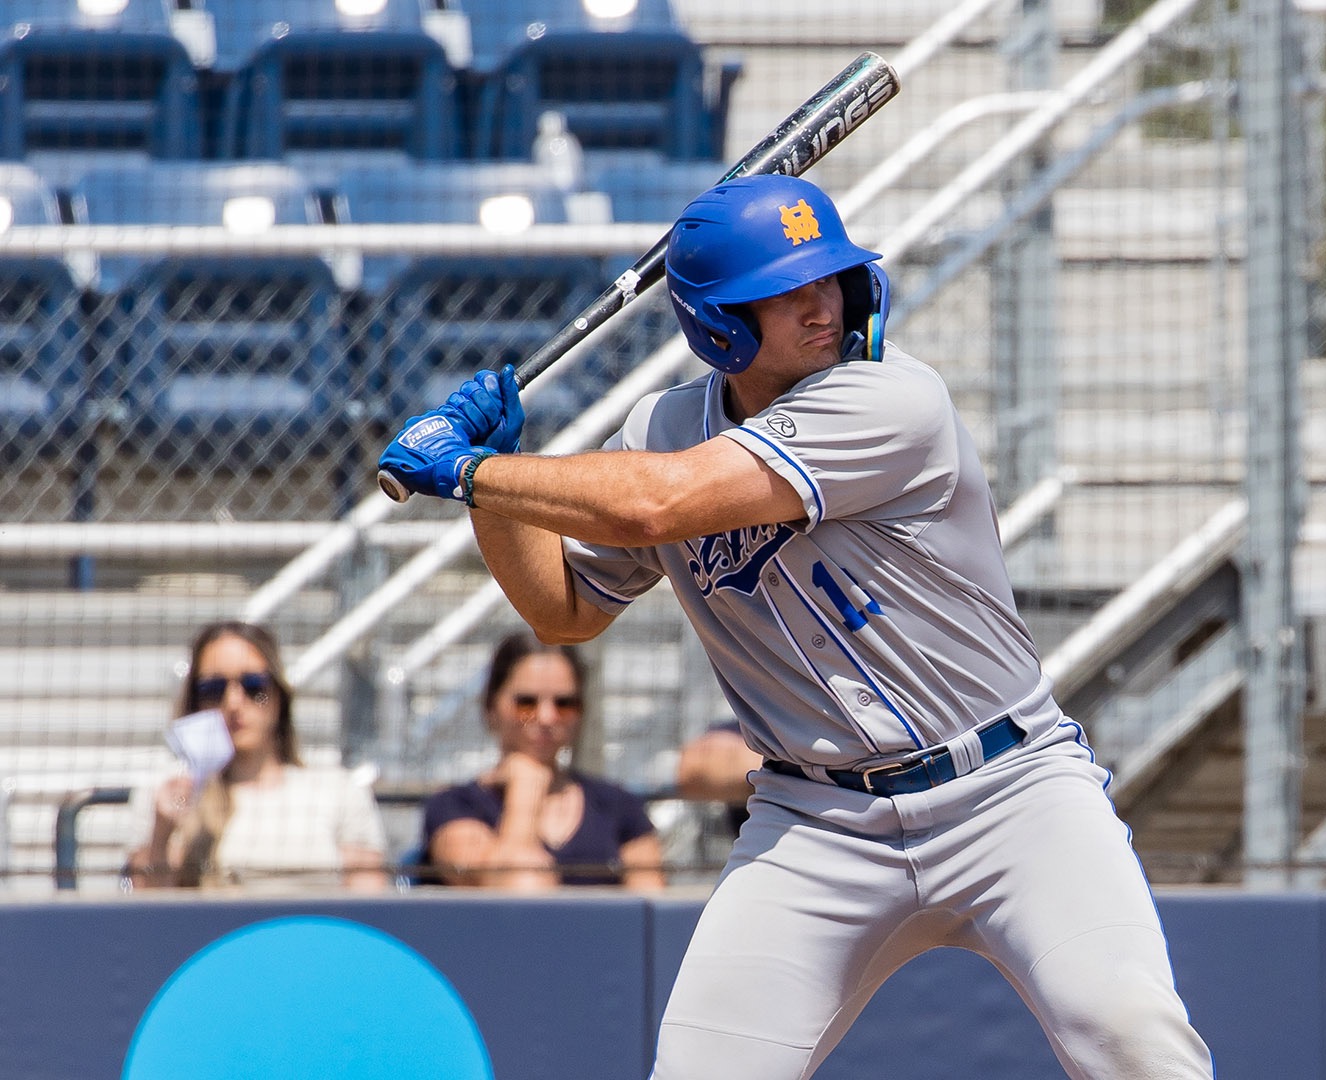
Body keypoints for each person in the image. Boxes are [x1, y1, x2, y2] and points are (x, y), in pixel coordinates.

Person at [379, 174, 1214, 1078]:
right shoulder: (662, 426)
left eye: (830, 277)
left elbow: (657, 507)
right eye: (785, 290)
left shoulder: (893, 400)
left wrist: (468, 472)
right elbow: (563, 612)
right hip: (816, 821)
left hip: (1008, 794)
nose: (822, 303)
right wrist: (494, 485)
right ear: (719, 325)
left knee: (1133, 1035)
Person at [125, 621, 388, 892]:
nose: (233, 702)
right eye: (213, 688)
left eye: (253, 686)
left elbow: (369, 907)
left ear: (279, 694)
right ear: (195, 701)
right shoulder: (167, 794)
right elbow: (148, 915)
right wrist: (162, 833)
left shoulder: (338, 790)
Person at [420, 632, 664, 891]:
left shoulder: (619, 806)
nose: (547, 718)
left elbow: (650, 901)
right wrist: (525, 787)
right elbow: (510, 886)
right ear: (491, 708)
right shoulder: (456, 806)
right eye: (526, 703)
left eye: (564, 704)